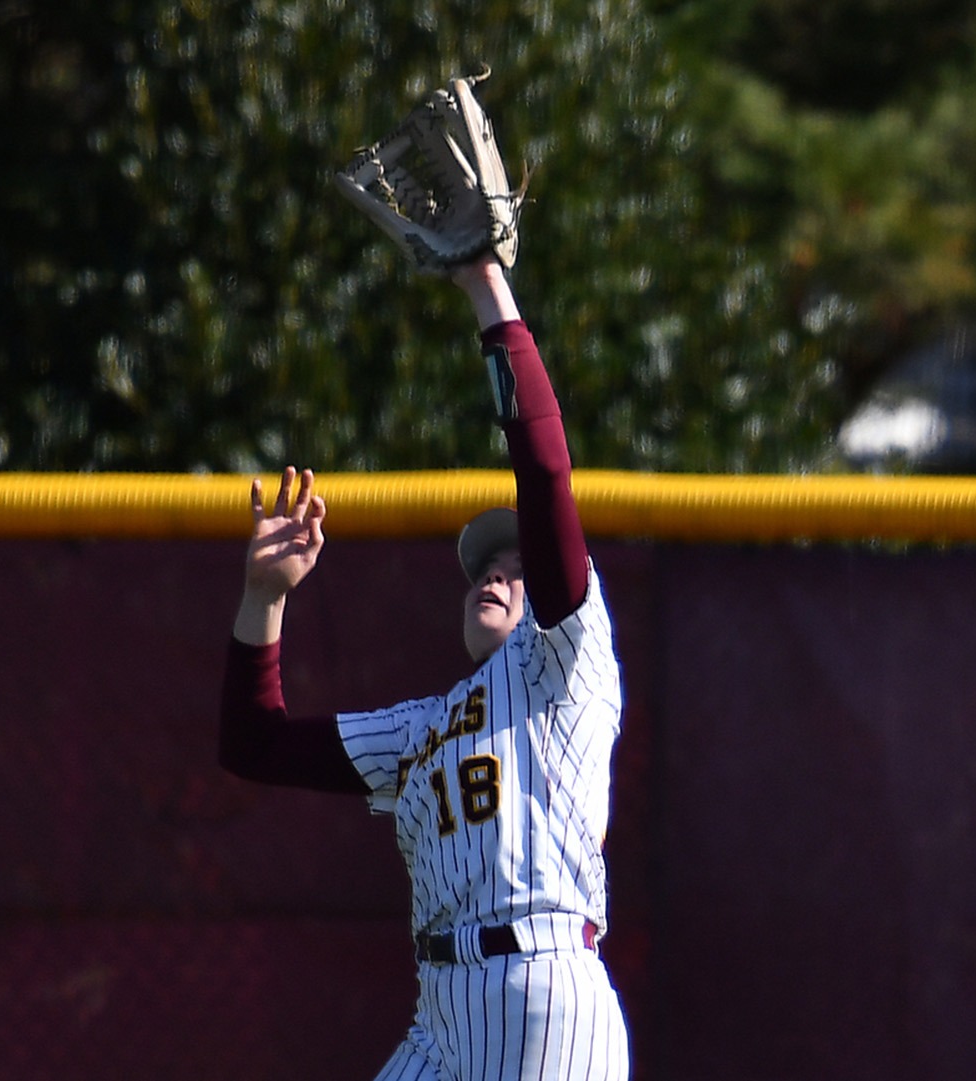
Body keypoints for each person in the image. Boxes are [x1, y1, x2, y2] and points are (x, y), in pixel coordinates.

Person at [218, 254, 629, 1081]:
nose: (494, 577)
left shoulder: (562, 665)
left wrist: (487, 288)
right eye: (484, 568)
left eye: (516, 567)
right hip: (441, 1009)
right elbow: (255, 743)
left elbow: (545, 475)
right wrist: (265, 596)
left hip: (542, 985)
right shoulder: (421, 729)